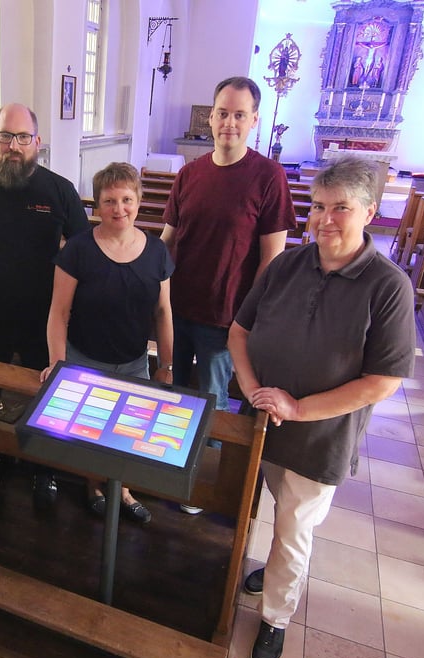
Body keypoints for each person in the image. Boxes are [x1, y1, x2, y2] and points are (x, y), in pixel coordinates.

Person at [227, 156, 415, 658]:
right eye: (317, 206)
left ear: (370, 212)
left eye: (341, 208)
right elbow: (239, 332)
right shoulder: (286, 265)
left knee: (294, 529)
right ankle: (270, 571)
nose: (324, 219)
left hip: (320, 438)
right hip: (261, 422)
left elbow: (383, 381)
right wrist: (253, 390)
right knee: (256, 505)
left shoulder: (388, 285)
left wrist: (297, 408)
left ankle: (275, 617)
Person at [161, 76, 295, 513]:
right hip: (178, 306)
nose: (229, 123)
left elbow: (272, 258)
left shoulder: (268, 176)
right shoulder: (190, 173)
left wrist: (248, 319)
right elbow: (167, 240)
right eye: (222, 113)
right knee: (175, 389)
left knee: (213, 399)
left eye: (239, 114)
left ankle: (201, 480)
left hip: (226, 315)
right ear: (211, 117)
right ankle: (170, 466)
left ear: (254, 119)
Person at [0, 103, 91, 509]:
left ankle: (43, 467)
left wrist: (76, 314)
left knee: (46, 394)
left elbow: (84, 253)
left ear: (37, 141)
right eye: (5, 136)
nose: (13, 146)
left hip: (43, 318)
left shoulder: (59, 190)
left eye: (22, 137)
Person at [41, 162, 174, 525]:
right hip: (86, 358)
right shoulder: (78, 250)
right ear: (97, 205)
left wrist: (166, 365)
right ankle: (94, 486)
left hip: (134, 361)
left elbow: (163, 312)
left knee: (130, 431)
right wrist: (57, 363)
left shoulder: (156, 252)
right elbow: (59, 312)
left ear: (138, 201)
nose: (119, 209)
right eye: (109, 201)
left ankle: (124, 490)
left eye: (127, 200)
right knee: (92, 432)